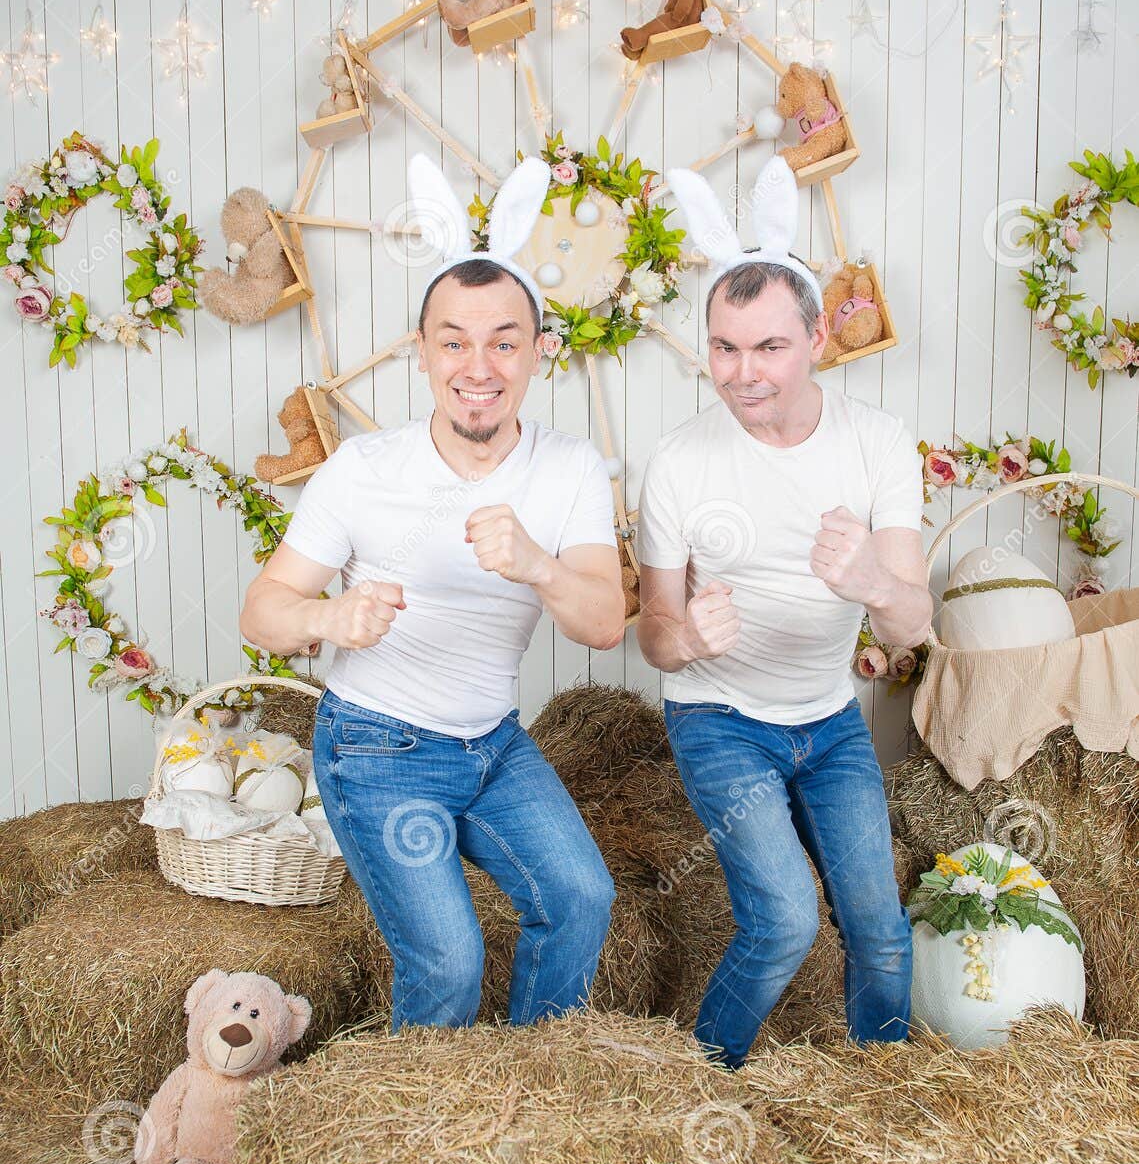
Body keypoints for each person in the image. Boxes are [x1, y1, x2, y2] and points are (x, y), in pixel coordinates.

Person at [240, 154, 624, 1033]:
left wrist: (538, 564)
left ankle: (526, 1087)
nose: (477, 364)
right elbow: (261, 612)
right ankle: (426, 1141)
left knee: (580, 898)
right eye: (453, 339)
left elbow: (604, 622)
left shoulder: (568, 468)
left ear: (537, 351)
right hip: (375, 748)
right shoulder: (364, 469)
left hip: (492, 746)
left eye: (502, 340)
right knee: (449, 964)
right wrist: (327, 617)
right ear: (422, 353)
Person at [635, 156, 931, 1066]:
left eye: (768, 347)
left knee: (879, 929)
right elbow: (654, 637)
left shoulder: (876, 443)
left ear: (813, 339)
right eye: (725, 348)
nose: (743, 372)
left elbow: (909, 626)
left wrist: (874, 584)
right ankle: (695, 1085)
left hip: (829, 722)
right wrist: (687, 634)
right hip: (720, 722)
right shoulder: (679, 461)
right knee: (786, 923)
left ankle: (874, 1102)